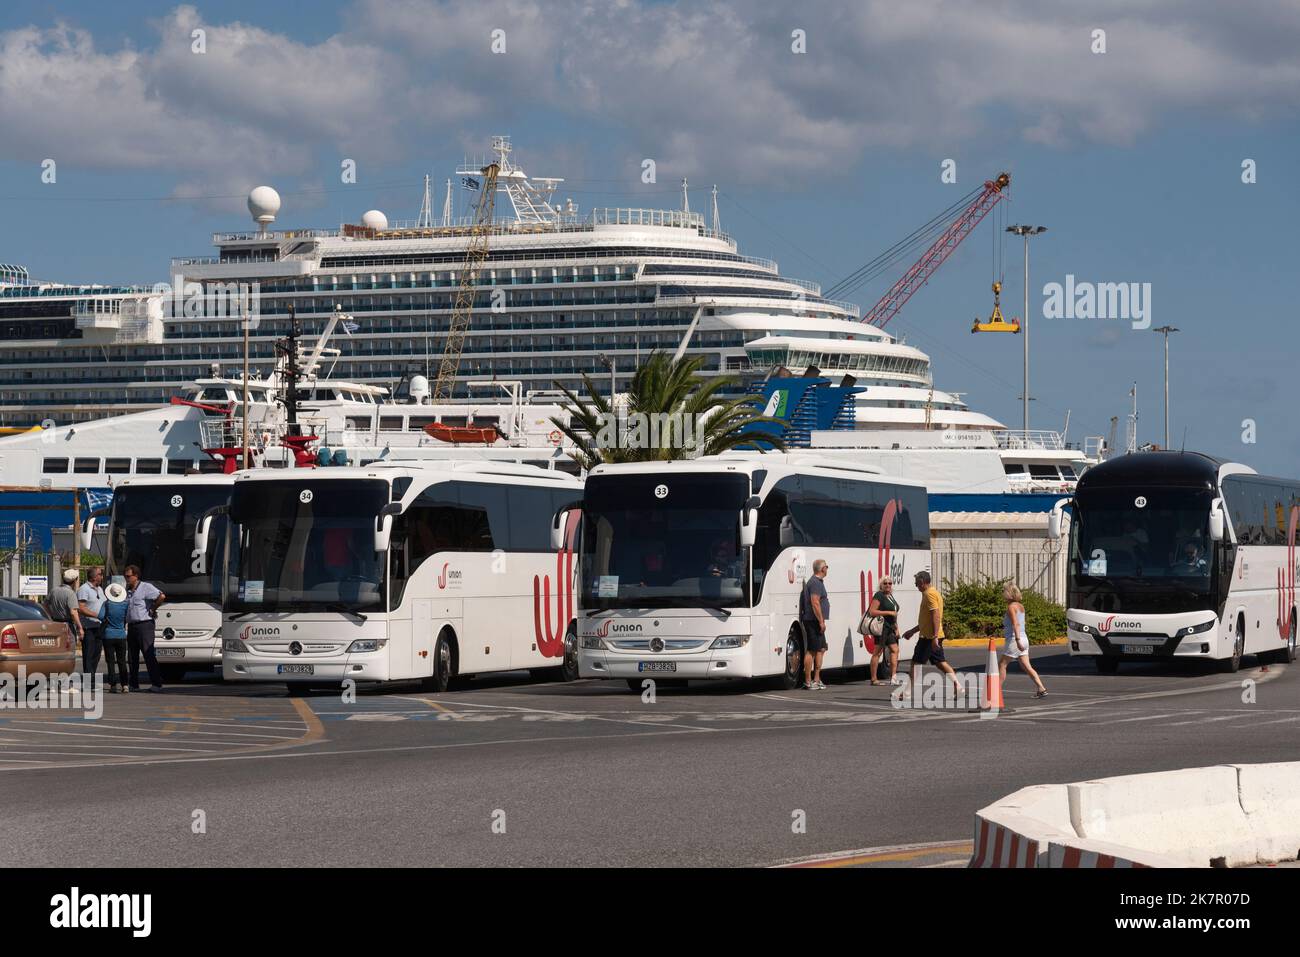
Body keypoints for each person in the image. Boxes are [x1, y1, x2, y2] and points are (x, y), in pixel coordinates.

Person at [902, 570, 962, 697]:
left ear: (923, 582)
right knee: (940, 663)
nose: (915, 585)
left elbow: (935, 615)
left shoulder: (929, 594)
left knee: (915, 663)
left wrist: (934, 637)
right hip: (931, 635)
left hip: (929, 637)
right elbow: (927, 619)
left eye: (917, 583)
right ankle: (959, 687)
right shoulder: (933, 592)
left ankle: (906, 693)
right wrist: (912, 631)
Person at [124, 564, 166, 693]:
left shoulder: (146, 587)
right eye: (125, 576)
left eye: (128, 576)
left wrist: (153, 609)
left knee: (148, 654)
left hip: (144, 625)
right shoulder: (128, 590)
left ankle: (156, 684)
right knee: (132, 657)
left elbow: (161, 596)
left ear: (136, 576)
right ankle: (134, 684)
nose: (126, 579)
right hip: (132, 626)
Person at [1000, 583, 1047, 698]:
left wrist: (1017, 640)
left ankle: (995, 691)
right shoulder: (1020, 606)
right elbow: (1022, 623)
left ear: (1008, 594)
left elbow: (1016, 624)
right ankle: (1041, 688)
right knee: (1026, 666)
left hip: (1015, 639)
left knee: (1001, 665)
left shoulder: (1011, 607)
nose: (1003, 594)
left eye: (1004, 591)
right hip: (1024, 638)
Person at [799, 559, 830, 690]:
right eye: (827, 567)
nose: (827, 569)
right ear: (822, 569)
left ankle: (816, 679)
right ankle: (807, 681)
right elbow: (815, 602)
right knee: (811, 650)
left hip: (815, 621)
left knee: (821, 649)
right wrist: (821, 621)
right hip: (813, 621)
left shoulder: (816, 582)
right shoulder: (815, 583)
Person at [867, 576, 900, 686]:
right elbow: (872, 612)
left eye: (890, 583)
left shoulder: (890, 596)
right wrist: (888, 613)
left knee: (895, 650)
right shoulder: (879, 595)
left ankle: (893, 677)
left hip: (890, 628)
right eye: (885, 583)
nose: (888, 585)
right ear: (881, 585)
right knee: (877, 652)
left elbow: (895, 614)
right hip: (882, 628)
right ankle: (873, 679)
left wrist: (896, 627)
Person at [77, 566, 107, 679]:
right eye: (100, 574)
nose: (102, 576)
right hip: (88, 627)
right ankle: (88, 680)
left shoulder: (100, 589)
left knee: (97, 654)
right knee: (89, 655)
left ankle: (92, 677)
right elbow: (81, 608)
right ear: (94, 577)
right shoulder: (84, 589)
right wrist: (97, 615)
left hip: (99, 626)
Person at [100, 582, 131, 693]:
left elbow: (100, 616)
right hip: (121, 635)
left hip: (108, 635)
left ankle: (113, 685)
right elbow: (128, 618)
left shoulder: (106, 604)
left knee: (111, 661)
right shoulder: (125, 604)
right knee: (122, 661)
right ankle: (125, 685)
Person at [46, 568, 84, 653]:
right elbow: (73, 612)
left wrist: (50, 616)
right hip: (67, 626)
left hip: (55, 624)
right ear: (75, 580)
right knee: (69, 650)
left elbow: (45, 605)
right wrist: (80, 628)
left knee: (56, 650)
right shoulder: (71, 593)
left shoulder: (54, 590)